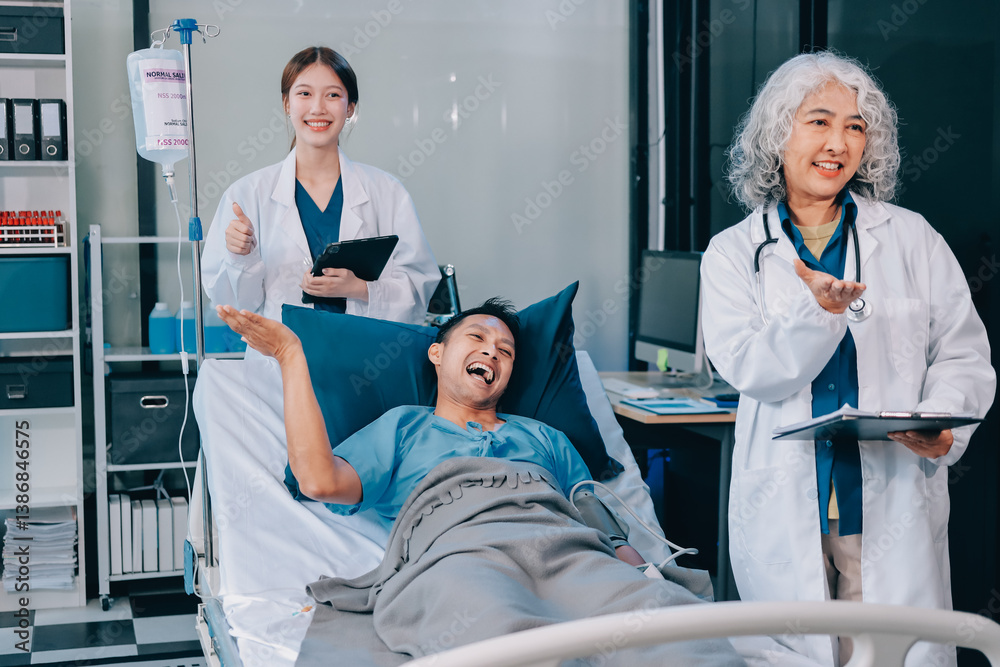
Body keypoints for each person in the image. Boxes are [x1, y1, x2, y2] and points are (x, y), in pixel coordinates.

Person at [217, 300, 745, 665]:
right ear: (437, 354)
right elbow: (317, 479)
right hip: (458, 555)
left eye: (506, 350)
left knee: (677, 631)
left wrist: (646, 576)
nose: (492, 352)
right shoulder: (404, 426)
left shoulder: (546, 437)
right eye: (477, 338)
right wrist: (291, 357)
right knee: (506, 640)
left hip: (567, 552)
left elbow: (603, 526)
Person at [700, 51, 995, 667]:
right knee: (794, 653)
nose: (839, 142)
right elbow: (752, 367)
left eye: (856, 127)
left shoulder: (912, 237)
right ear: (779, 133)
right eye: (819, 122)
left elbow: (963, 351)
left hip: (889, 500)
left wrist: (941, 419)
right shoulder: (733, 254)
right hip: (787, 497)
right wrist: (819, 312)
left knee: (895, 653)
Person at [202, 46, 439, 338]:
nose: (318, 108)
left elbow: (420, 288)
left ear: (350, 107)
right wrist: (241, 258)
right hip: (277, 372)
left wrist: (361, 289)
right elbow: (235, 308)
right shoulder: (248, 194)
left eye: (333, 95)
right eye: (304, 93)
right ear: (286, 103)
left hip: (362, 361)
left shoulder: (387, 192)